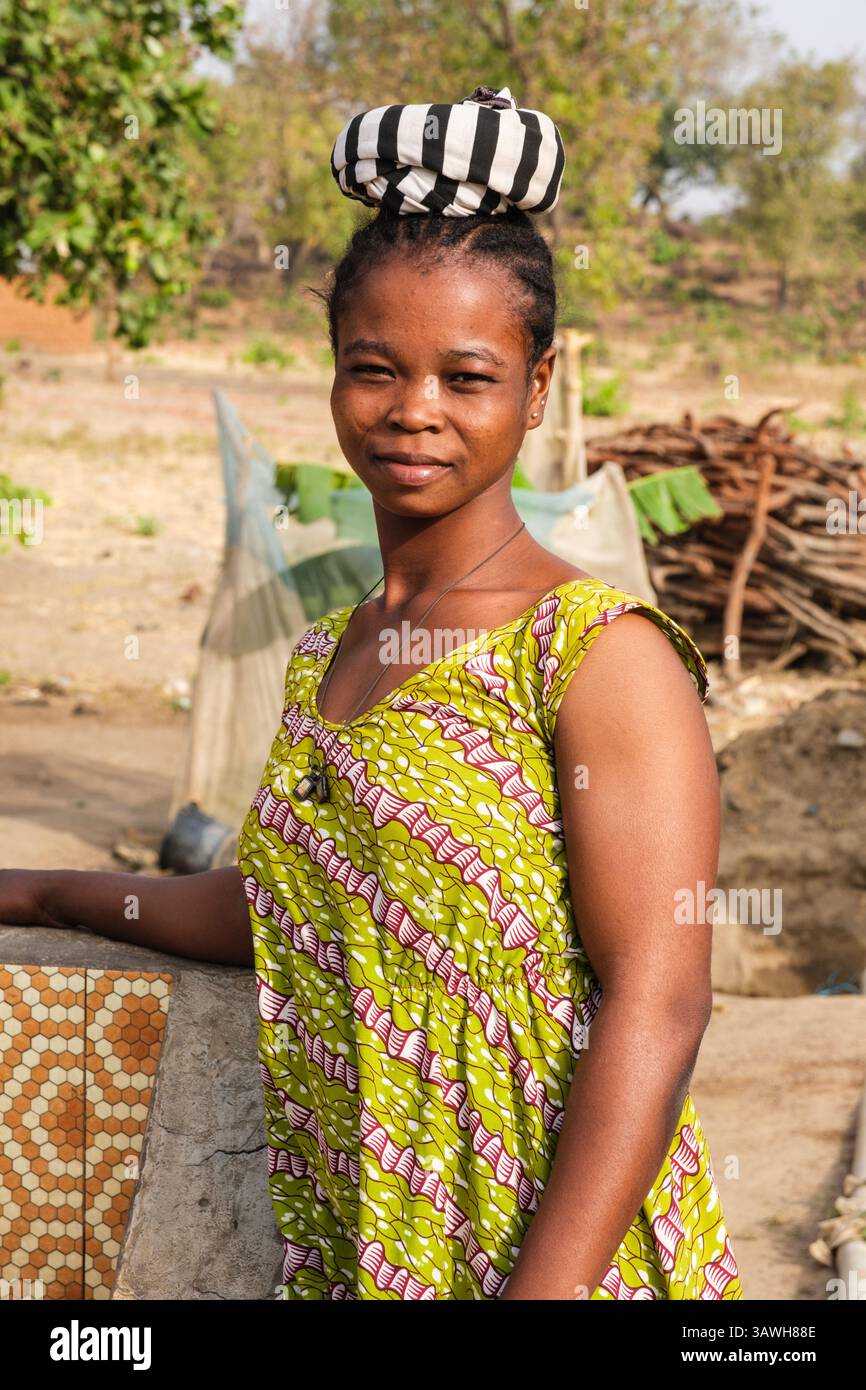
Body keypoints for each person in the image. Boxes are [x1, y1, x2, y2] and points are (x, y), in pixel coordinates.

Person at [0, 85, 743, 1302]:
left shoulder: (593, 654)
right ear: (333, 372)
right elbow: (286, 909)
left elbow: (659, 1006)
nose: (414, 410)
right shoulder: (328, 653)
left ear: (538, 383)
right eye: (374, 369)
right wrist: (35, 888)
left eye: (467, 374)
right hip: (369, 1246)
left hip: (553, 1257)